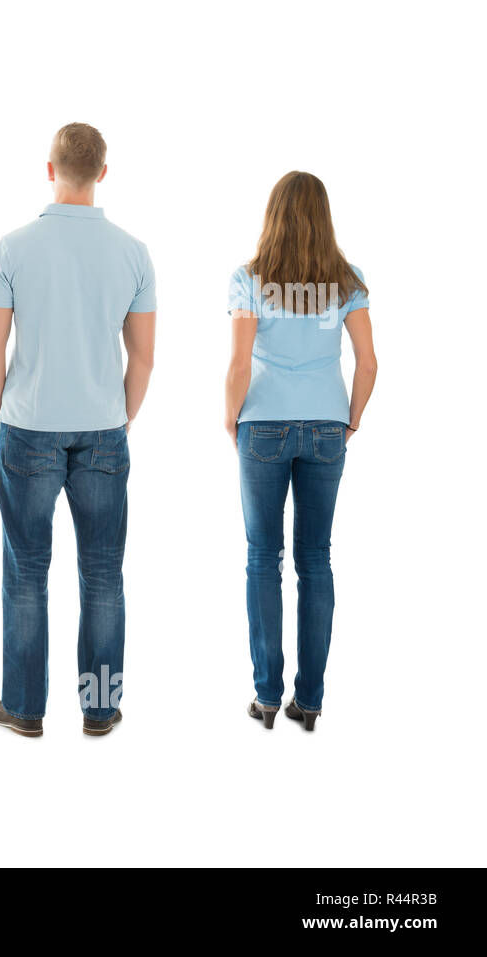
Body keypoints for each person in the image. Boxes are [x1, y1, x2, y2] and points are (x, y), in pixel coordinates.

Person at [0, 123, 156, 738]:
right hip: (103, 427)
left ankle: (25, 709)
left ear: (49, 169)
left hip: (28, 424)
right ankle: (100, 709)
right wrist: (120, 418)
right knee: (103, 573)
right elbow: (144, 358)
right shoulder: (134, 253)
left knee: (26, 571)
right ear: (102, 173)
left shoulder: (13, 248)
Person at [226, 171, 377, 732]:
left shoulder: (250, 279)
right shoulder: (346, 280)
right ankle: (309, 701)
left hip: (262, 425)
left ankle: (267, 696)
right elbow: (368, 363)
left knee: (263, 557)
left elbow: (240, 364)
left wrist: (231, 418)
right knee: (315, 558)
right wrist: (351, 418)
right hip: (326, 428)